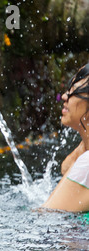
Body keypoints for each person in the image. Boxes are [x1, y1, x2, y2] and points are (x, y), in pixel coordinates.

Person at [42, 63, 89, 213]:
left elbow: (45, 218)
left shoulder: (86, 163)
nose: (64, 96)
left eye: (74, 91)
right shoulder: (81, 152)